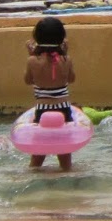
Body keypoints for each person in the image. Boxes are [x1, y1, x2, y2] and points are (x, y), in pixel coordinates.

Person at [24, 16, 78, 169]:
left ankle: (34, 171)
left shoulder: (32, 61)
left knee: (39, 149)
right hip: (63, 108)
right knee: (64, 149)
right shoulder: (66, 59)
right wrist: (65, 55)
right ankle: (66, 171)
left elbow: (28, 81)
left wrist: (31, 56)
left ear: (37, 38)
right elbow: (71, 79)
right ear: (61, 38)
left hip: (43, 109)